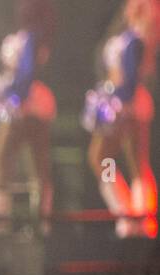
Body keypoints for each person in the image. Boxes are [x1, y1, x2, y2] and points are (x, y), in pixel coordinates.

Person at [85, 0, 160, 238]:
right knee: (136, 163)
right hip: (126, 104)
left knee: (102, 158)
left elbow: (129, 79)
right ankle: (137, 216)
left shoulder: (136, 39)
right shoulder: (130, 36)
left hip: (124, 107)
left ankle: (128, 214)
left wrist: (115, 101)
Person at [0, 0, 57, 226]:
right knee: (36, 162)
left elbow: (25, 74)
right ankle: (42, 219)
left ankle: (0, 219)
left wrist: (12, 98)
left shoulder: (32, 37)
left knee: (3, 158)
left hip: (25, 105)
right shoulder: (30, 36)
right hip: (26, 103)